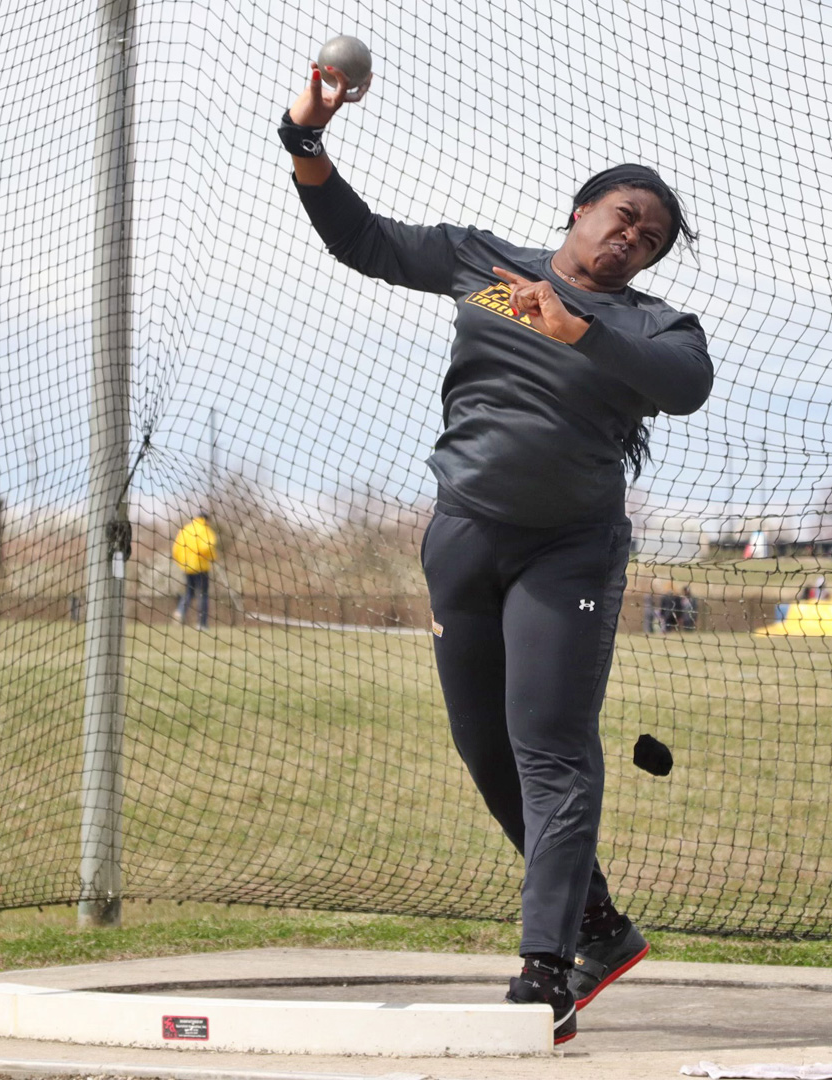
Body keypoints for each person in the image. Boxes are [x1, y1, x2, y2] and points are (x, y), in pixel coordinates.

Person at [282, 65, 712, 1042]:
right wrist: (306, 138)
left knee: (552, 751)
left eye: (650, 239)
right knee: (486, 751)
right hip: (463, 539)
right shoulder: (484, 263)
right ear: (581, 209)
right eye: (624, 216)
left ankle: (544, 970)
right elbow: (361, 240)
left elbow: (684, 386)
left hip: (569, 556)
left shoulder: (654, 326)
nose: (632, 238)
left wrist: (580, 332)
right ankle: (599, 925)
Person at [172, 512, 218, 628]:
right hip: (201, 566)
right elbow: (207, 546)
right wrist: (212, 556)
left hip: (187, 567)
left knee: (189, 592)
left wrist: (181, 562)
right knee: (203, 594)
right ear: (206, 520)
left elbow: (176, 549)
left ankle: (180, 611)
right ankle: (202, 623)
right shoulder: (205, 530)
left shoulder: (185, 530)